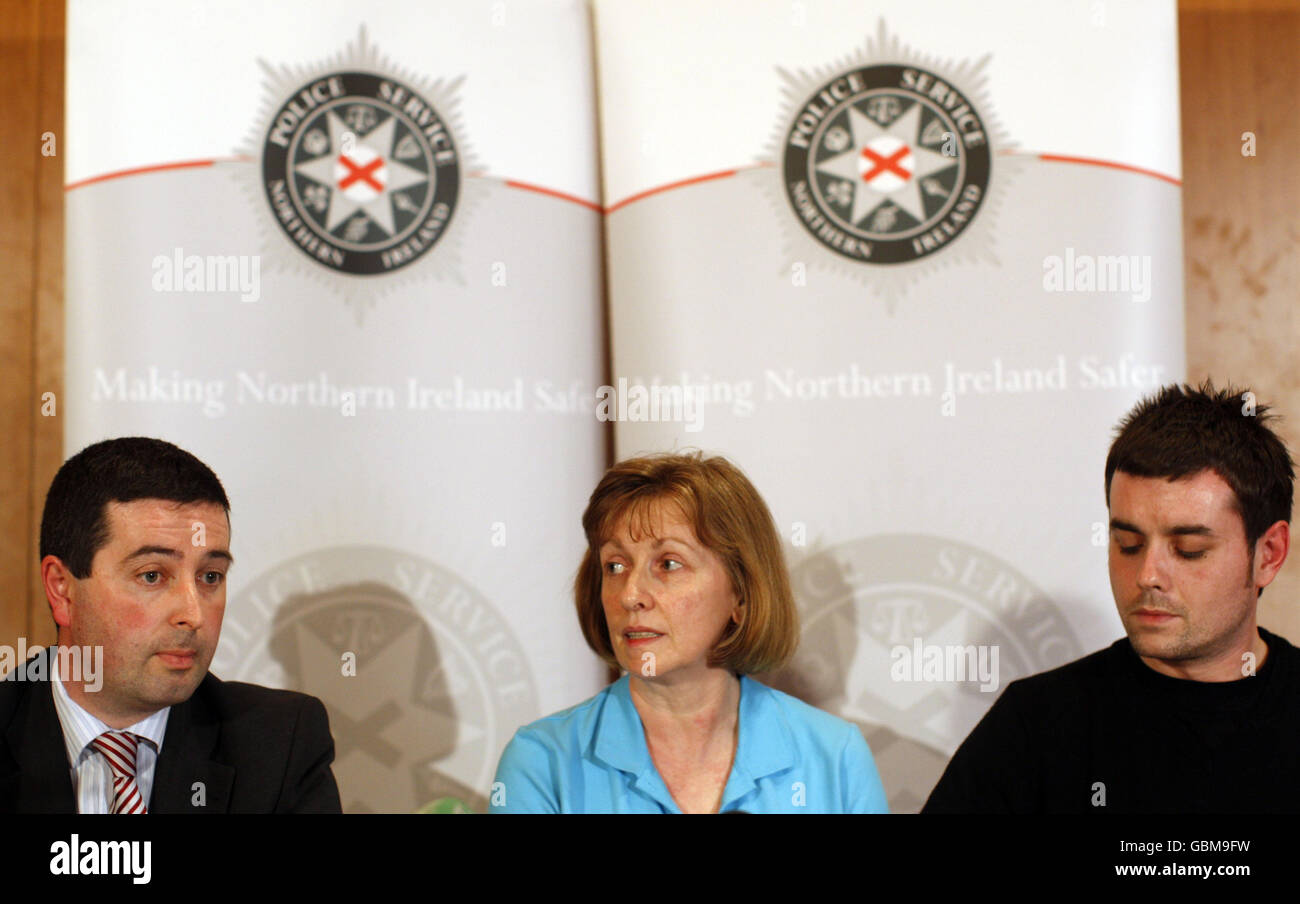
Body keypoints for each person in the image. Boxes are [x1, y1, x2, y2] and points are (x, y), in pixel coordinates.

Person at [924, 381, 1300, 813]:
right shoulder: (1036, 726)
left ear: (1268, 554)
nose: (1147, 576)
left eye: (1188, 549)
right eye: (1128, 544)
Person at [490, 452, 889, 813]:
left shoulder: (835, 758)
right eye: (614, 566)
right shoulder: (542, 763)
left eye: (668, 564)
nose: (630, 595)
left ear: (740, 592)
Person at [0, 437, 341, 813]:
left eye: (210, 576)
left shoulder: (279, 746)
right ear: (62, 589)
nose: (193, 615)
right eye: (152, 576)